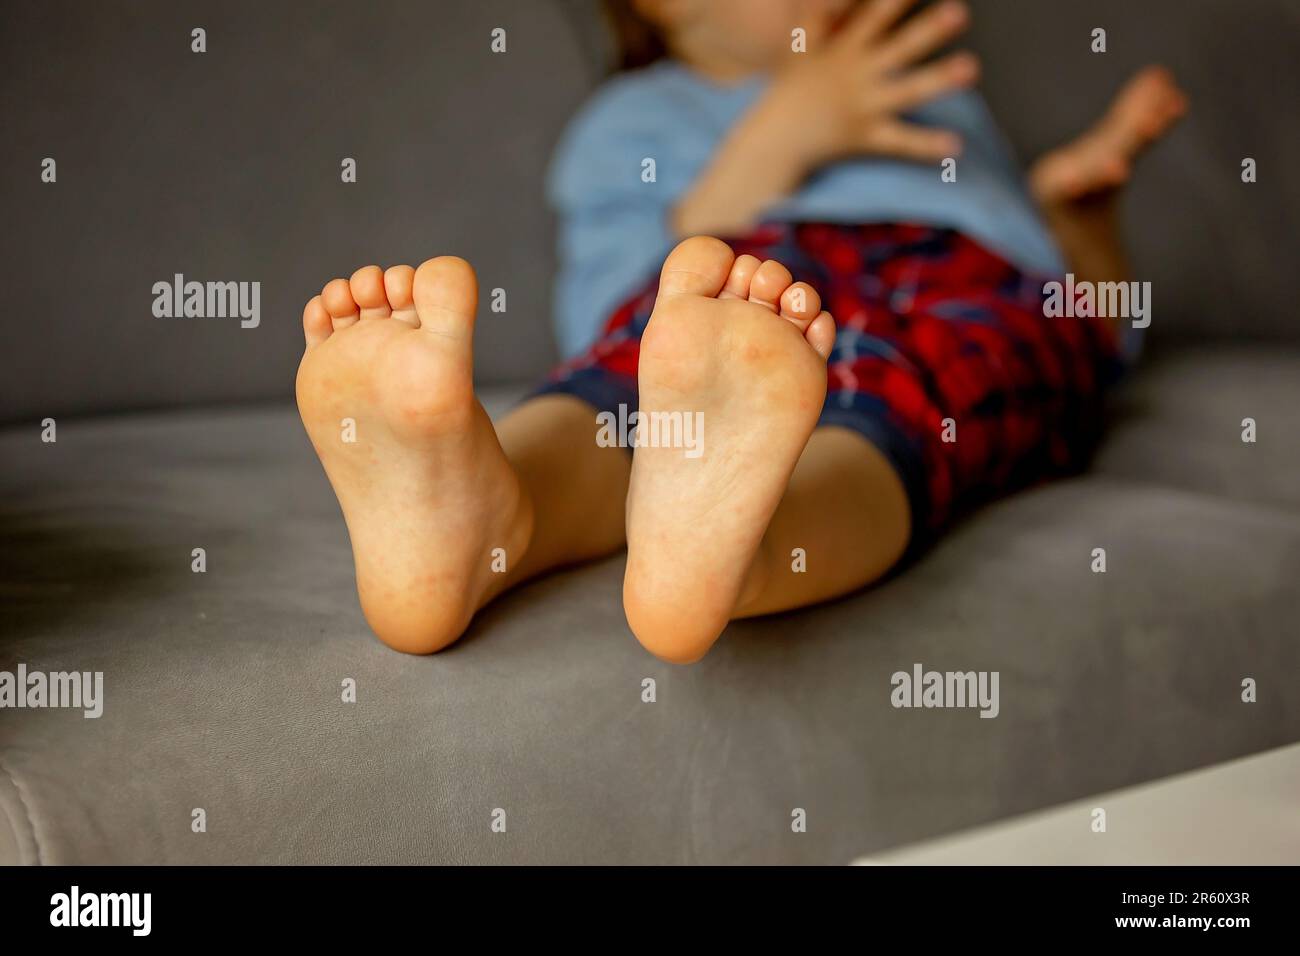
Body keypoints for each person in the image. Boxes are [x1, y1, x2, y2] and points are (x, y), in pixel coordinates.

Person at [293, 0, 1187, 663]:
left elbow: (1092, 337)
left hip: (958, 288)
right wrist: (788, 128)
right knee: (630, 378)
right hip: (740, 279)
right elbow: (606, 311)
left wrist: (1081, 223)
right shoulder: (627, 127)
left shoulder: (935, 91)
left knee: (902, 412)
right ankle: (485, 511)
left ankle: (741, 550)